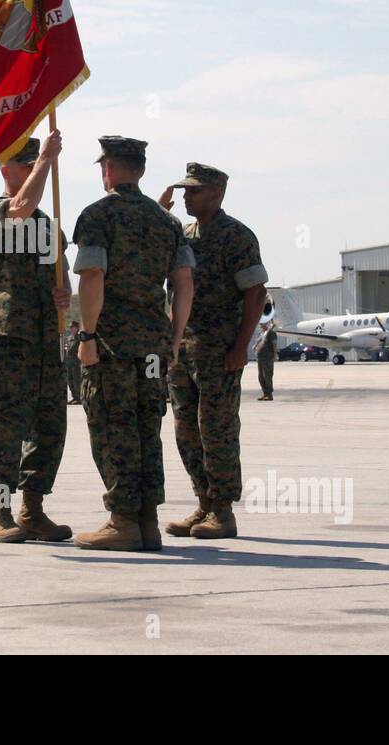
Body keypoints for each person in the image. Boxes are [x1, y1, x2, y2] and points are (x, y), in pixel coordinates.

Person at [72, 137, 194, 552]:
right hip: (155, 346)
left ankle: (123, 519)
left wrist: (87, 335)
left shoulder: (97, 215)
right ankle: (146, 520)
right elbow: (183, 284)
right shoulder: (167, 223)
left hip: (113, 343)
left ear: (107, 168)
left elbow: (91, 277)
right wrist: (175, 340)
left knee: (112, 426)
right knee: (147, 428)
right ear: (140, 169)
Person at [158, 163, 268, 540]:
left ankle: (222, 510)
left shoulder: (236, 236)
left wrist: (242, 347)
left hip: (219, 349)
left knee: (216, 428)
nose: (186, 196)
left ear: (216, 194)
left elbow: (256, 293)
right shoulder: (183, 235)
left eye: (194, 191)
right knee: (186, 428)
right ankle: (203, 502)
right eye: (185, 190)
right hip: (183, 348)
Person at [0, 132, 73, 543]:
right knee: (6, 426)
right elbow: (20, 208)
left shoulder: (48, 224)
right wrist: (47, 161)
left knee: (50, 425)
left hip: (46, 336)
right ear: (6, 169)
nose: (35, 170)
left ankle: (32, 509)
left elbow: (60, 267)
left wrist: (64, 292)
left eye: (36, 163)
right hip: (7, 336)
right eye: (28, 164)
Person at [257, 308, 277, 402]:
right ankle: (265, 393)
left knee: (267, 375)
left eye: (262, 323)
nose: (261, 325)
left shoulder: (271, 333)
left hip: (268, 357)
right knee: (260, 376)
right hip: (260, 357)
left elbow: (274, 345)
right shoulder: (261, 333)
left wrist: (274, 355)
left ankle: (269, 394)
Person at [62, 321, 82, 405]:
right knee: (70, 381)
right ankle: (74, 397)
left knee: (76, 381)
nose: (71, 329)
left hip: (76, 363)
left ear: (77, 328)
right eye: (71, 327)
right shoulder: (70, 338)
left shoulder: (79, 338)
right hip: (69, 363)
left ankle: (79, 398)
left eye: (73, 327)